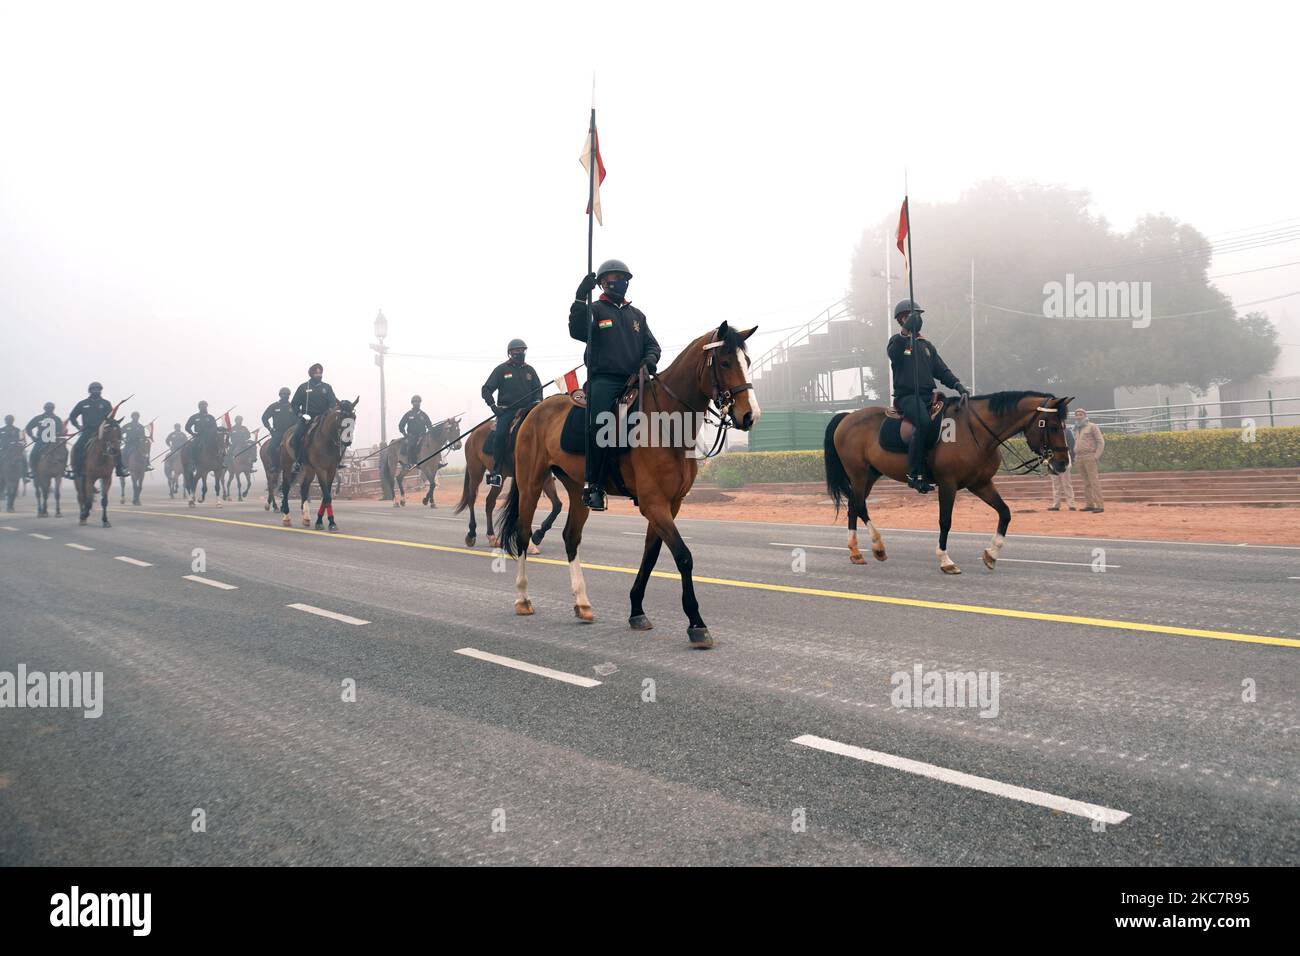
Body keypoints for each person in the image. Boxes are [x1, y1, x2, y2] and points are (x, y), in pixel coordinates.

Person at [568, 259, 661, 510]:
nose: (621, 282)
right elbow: (577, 331)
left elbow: (652, 345)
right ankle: (595, 485)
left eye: (624, 278)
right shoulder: (596, 310)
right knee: (601, 425)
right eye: (615, 277)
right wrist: (579, 299)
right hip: (605, 380)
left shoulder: (637, 315)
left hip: (635, 380)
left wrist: (648, 361)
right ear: (603, 282)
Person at [887, 299, 969, 493]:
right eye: (912, 316)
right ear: (902, 319)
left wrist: (958, 385)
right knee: (923, 423)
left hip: (928, 396)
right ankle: (914, 475)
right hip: (907, 396)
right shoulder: (897, 342)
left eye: (919, 316)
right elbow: (893, 353)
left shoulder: (926, 346)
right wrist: (905, 332)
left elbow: (941, 370)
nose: (917, 319)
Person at [480, 339, 542, 487]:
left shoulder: (530, 370)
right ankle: (496, 472)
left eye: (522, 350)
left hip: (528, 410)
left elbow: (538, 389)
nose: (520, 353)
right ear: (510, 353)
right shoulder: (502, 369)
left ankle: (544, 468)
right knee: (500, 435)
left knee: (543, 432)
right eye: (517, 351)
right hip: (507, 411)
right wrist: (493, 406)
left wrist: (538, 401)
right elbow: (486, 389)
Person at [67, 382, 128, 479]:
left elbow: (110, 417)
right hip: (88, 431)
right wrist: (78, 426)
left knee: (115, 446)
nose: (96, 391)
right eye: (93, 389)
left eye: (98, 389)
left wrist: (112, 424)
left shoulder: (106, 403)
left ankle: (120, 468)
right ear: (90, 390)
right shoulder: (82, 404)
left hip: (103, 430)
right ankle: (77, 471)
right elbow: (72, 416)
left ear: (100, 390)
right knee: (78, 447)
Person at [290, 363, 338, 473]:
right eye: (316, 372)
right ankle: (297, 462)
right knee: (296, 437)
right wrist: (300, 415)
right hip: (307, 418)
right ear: (311, 374)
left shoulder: (327, 387)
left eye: (320, 372)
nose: (318, 374)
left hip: (324, 418)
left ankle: (337, 461)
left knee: (338, 435)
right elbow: (295, 404)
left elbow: (333, 402)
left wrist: (330, 411)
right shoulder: (303, 387)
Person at [1073, 407, 1106, 512]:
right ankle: (1090, 504)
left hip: (1089, 456)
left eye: (1080, 414)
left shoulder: (1092, 426)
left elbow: (1100, 441)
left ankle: (1100, 505)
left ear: (1085, 416)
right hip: (1079, 457)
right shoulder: (1077, 428)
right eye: (1077, 414)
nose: (1078, 416)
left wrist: (1096, 456)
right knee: (1086, 483)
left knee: (1094, 481)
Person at [25, 403, 64, 475]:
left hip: (54, 440)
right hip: (41, 440)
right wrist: (32, 436)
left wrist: (59, 433)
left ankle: (63, 469)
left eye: (51, 408)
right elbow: (28, 428)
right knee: (34, 453)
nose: (49, 409)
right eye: (48, 408)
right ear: (44, 408)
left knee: (64, 452)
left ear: (53, 409)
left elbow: (61, 429)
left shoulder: (57, 419)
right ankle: (34, 470)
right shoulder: (38, 418)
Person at [1047, 418, 1076, 511]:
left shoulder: (1068, 432)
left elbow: (1072, 446)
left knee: (1067, 484)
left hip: (1064, 460)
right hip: (1052, 461)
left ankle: (1071, 504)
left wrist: (1072, 458)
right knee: (1056, 484)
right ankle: (1056, 505)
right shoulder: (1049, 433)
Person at [398, 396, 434, 466]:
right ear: (412, 403)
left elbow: (429, 424)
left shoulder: (423, 414)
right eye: (415, 402)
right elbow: (401, 425)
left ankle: (437, 461)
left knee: (433, 443)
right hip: (412, 436)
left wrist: (430, 429)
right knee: (411, 445)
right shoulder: (408, 414)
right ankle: (411, 462)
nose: (416, 403)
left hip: (423, 435)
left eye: (418, 402)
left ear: (420, 403)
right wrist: (405, 434)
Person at [261, 387, 296, 456]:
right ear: (280, 395)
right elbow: (264, 418)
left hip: (291, 432)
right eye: (283, 394)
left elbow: (298, 419)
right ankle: (274, 465)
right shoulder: (274, 406)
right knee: (271, 448)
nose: (285, 396)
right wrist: (270, 429)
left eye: (287, 394)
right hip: (278, 432)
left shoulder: (293, 406)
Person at [0, 415, 25, 479]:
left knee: (23, 459)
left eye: (10, 420)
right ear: (5, 421)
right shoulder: (1, 430)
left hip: (15, 450)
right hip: (3, 449)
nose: (9, 421)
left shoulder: (18, 430)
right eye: (7, 420)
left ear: (13, 421)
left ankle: (25, 475)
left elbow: (23, 441)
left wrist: (20, 446)